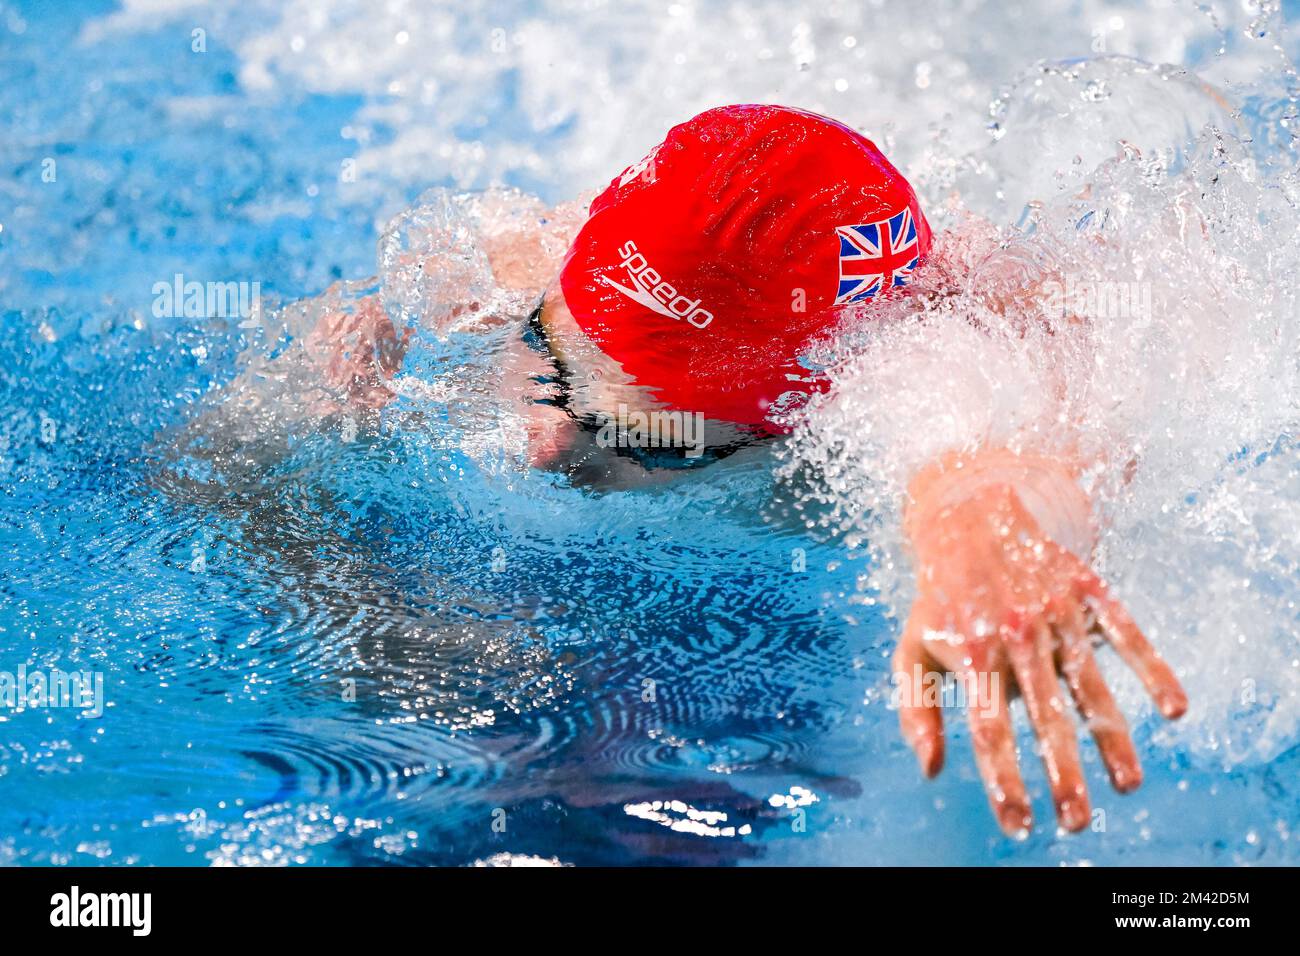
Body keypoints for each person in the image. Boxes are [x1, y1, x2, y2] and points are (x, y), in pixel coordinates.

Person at [285, 103, 1187, 836]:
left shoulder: (937, 364)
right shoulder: (564, 256)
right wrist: (362, 335)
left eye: (650, 436)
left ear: (800, 427)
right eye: (548, 358)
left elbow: (1001, 452)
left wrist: (975, 534)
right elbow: (450, 270)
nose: (547, 446)